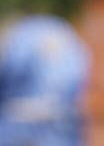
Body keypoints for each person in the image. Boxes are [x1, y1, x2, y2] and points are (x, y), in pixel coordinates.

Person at [0, 16, 89, 145]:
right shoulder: (68, 36)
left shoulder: (21, 34)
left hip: (15, 124)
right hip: (63, 123)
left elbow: (8, 73)